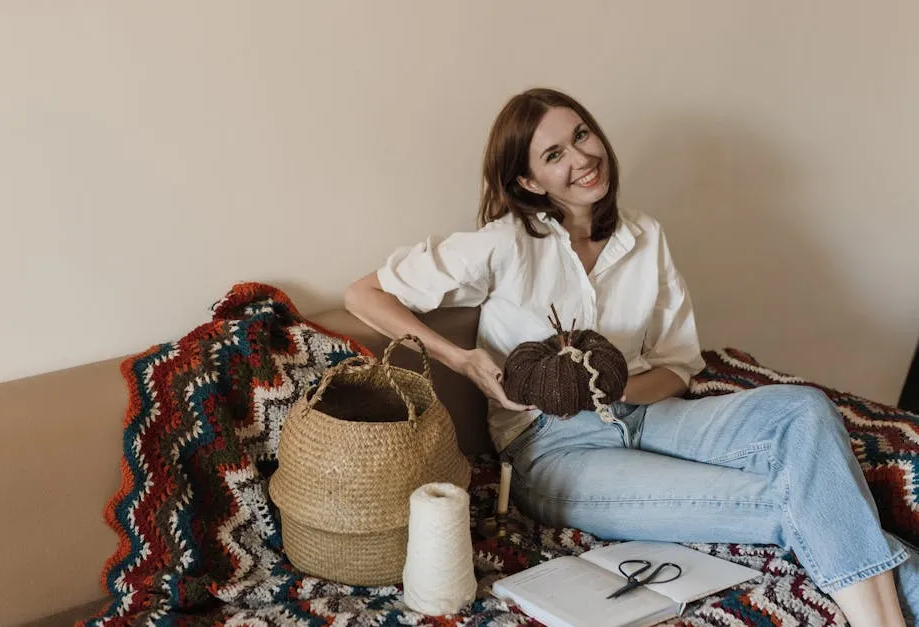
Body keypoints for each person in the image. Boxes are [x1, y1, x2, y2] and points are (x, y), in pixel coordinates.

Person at [344, 87, 917, 626]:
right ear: (529, 179)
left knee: (803, 410)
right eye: (554, 153)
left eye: (583, 135)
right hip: (553, 447)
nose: (582, 157)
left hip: (646, 411)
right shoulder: (503, 243)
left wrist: (615, 390)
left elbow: (677, 364)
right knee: (785, 499)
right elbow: (362, 295)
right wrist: (463, 360)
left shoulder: (645, 236)